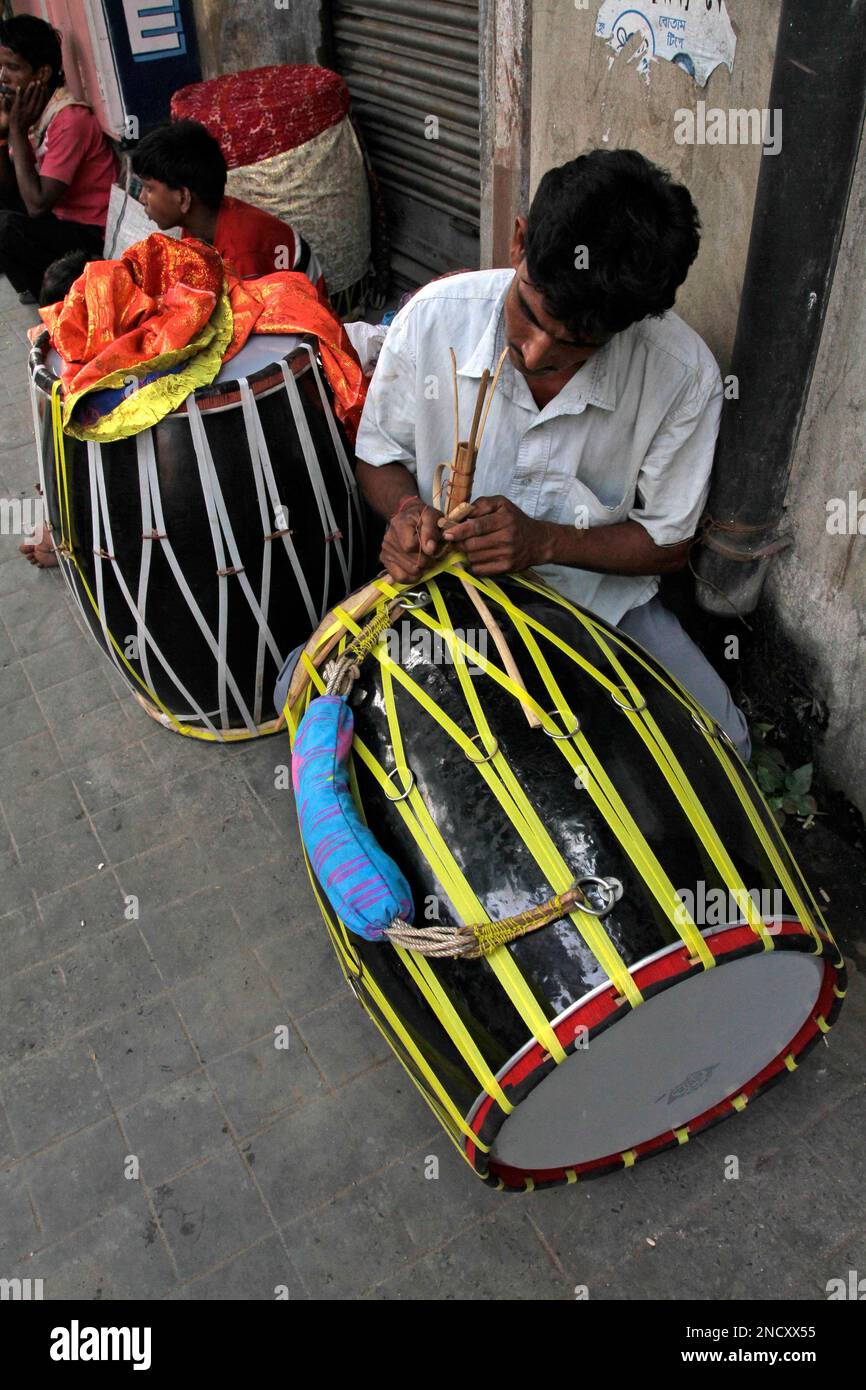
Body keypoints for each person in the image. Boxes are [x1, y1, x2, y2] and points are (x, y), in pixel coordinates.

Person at [354, 149, 751, 759]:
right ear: (518, 242)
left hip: (600, 605)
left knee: (726, 750)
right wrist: (408, 509)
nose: (535, 354)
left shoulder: (681, 375)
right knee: (306, 699)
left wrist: (544, 543)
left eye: (576, 344)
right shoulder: (432, 321)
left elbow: (669, 544)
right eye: (529, 315)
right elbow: (377, 457)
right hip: (444, 590)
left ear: (630, 326)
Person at [131, 119, 326, 293]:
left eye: (149, 188)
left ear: (183, 198)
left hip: (303, 314)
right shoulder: (198, 223)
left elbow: (251, 319)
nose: (141, 198)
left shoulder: (241, 252)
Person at [0, 14, 117, 303]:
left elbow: (37, 204)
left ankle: (54, 300)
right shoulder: (29, 111)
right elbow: (7, 186)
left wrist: (15, 129)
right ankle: (33, 289)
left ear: (42, 74)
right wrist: (4, 131)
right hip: (62, 220)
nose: (3, 77)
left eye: (13, 67)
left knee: (4, 226)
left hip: (93, 235)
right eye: (0, 67)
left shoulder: (69, 119)